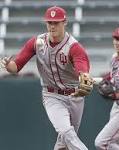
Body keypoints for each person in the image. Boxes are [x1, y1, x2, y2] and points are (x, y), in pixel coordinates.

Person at [2, 6, 93, 150]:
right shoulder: (37, 42)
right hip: (51, 95)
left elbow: (83, 68)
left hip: (75, 95)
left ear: (65, 22)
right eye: (49, 22)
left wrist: (84, 77)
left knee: (64, 142)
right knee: (65, 131)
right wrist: (8, 65)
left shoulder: (74, 47)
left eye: (56, 22)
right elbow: (15, 67)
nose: (52, 26)